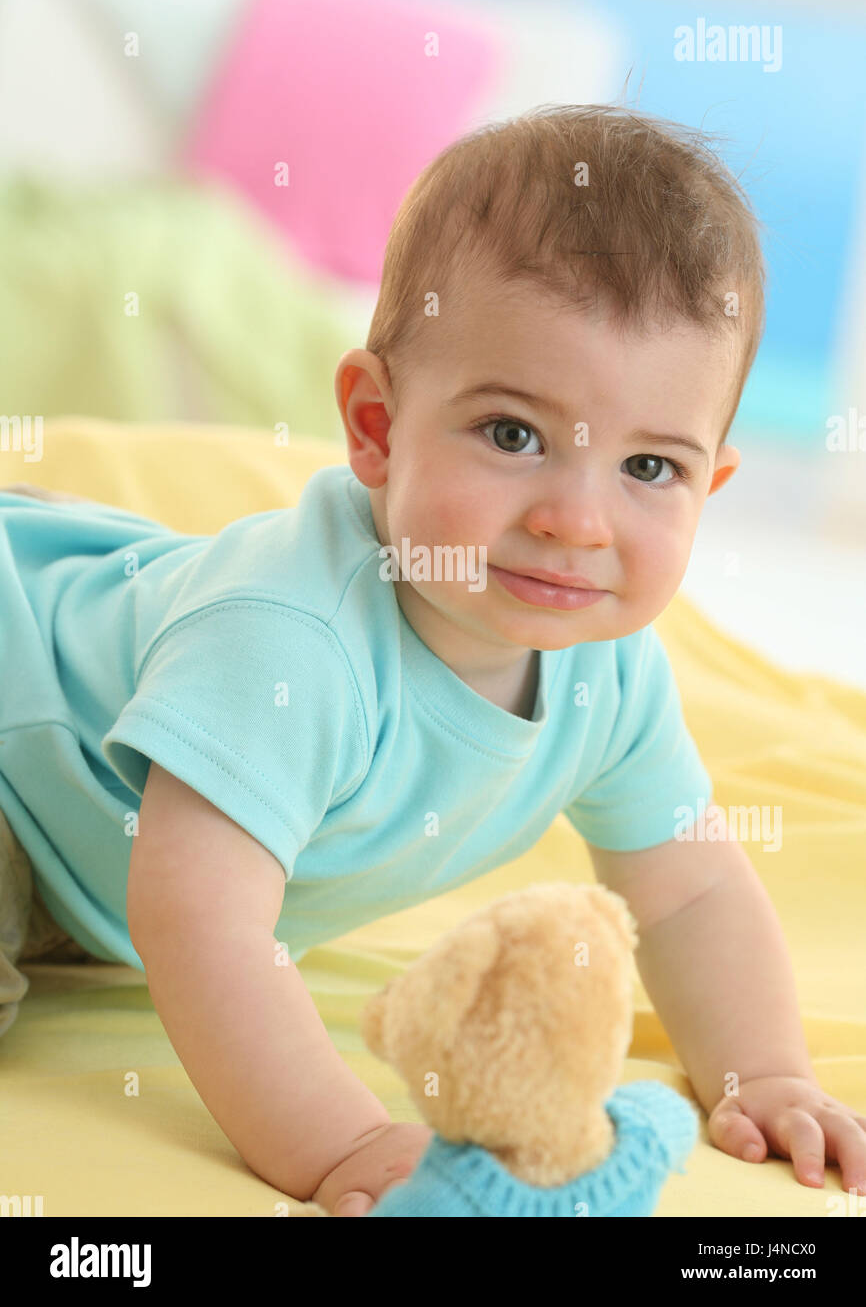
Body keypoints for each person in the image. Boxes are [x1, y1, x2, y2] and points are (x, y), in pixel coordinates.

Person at [2, 105, 863, 1216]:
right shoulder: (290, 639)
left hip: (88, 863)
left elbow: (690, 888)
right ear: (373, 425)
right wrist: (337, 1143)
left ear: (711, 487)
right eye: (512, 435)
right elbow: (199, 915)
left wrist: (763, 1070)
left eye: (649, 466)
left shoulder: (610, 671)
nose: (575, 520)